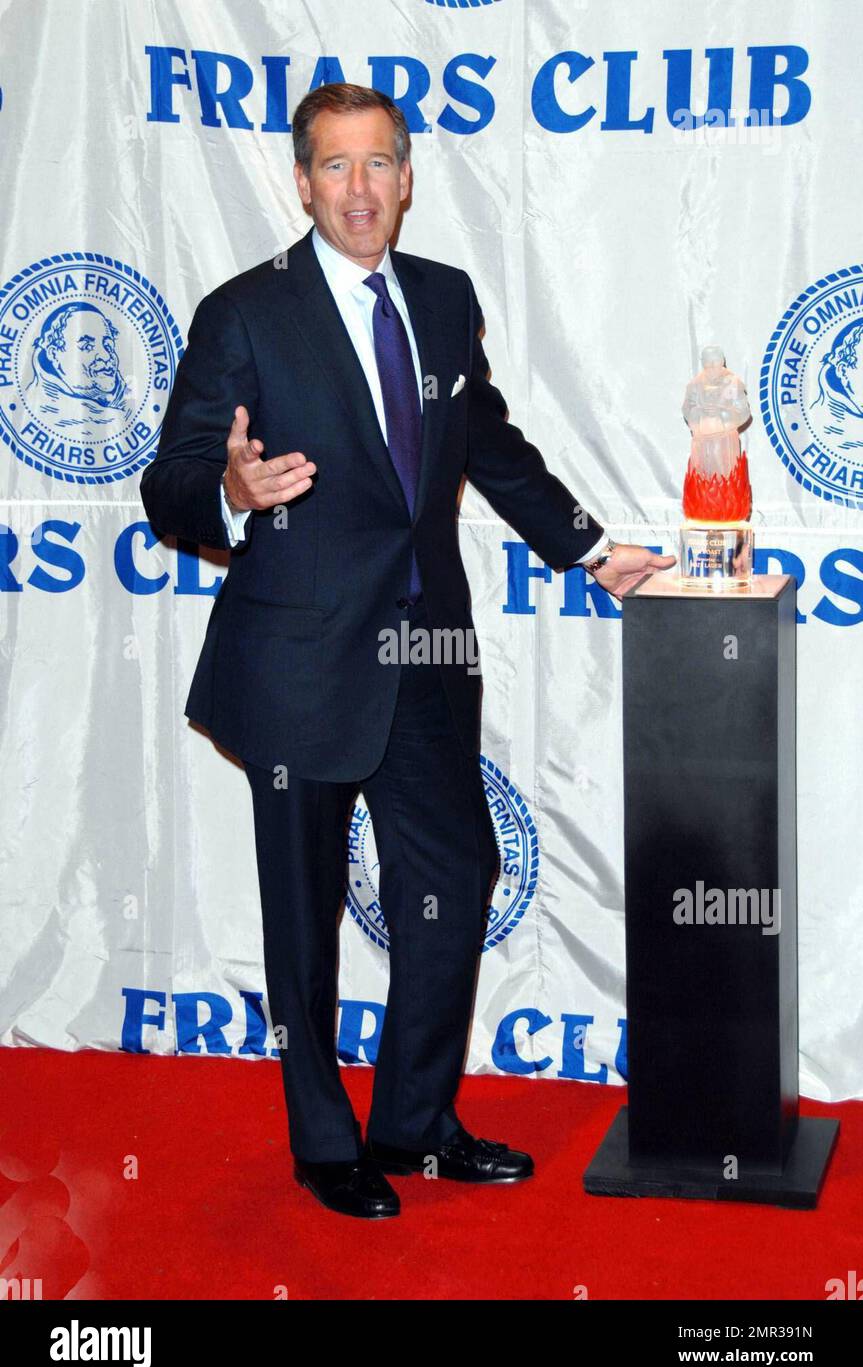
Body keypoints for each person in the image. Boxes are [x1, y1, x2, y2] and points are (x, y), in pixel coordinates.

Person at [140, 81, 674, 1220]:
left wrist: (584, 547)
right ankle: (321, 1140)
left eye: (378, 163)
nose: (358, 188)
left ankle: (413, 1122)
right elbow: (171, 478)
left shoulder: (439, 299)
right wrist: (227, 490)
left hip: (426, 654)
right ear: (300, 181)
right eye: (334, 166)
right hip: (298, 668)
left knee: (454, 879)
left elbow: (484, 437)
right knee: (305, 911)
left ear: (406, 177)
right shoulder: (245, 314)